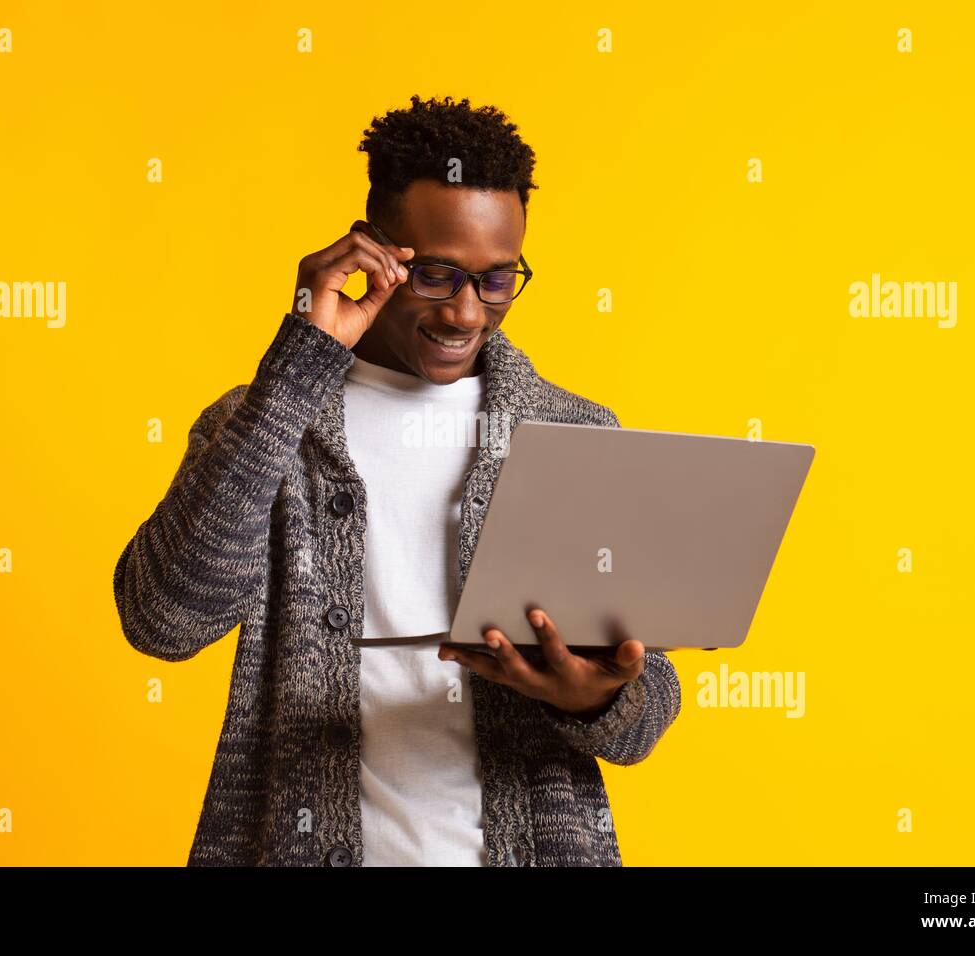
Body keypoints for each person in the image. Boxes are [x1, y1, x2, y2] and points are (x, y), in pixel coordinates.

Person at [113, 94, 682, 867]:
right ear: (375, 254)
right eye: (439, 276)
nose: (466, 314)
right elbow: (163, 620)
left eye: (497, 280)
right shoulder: (265, 420)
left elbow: (648, 707)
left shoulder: (571, 433)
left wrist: (601, 698)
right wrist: (295, 372)